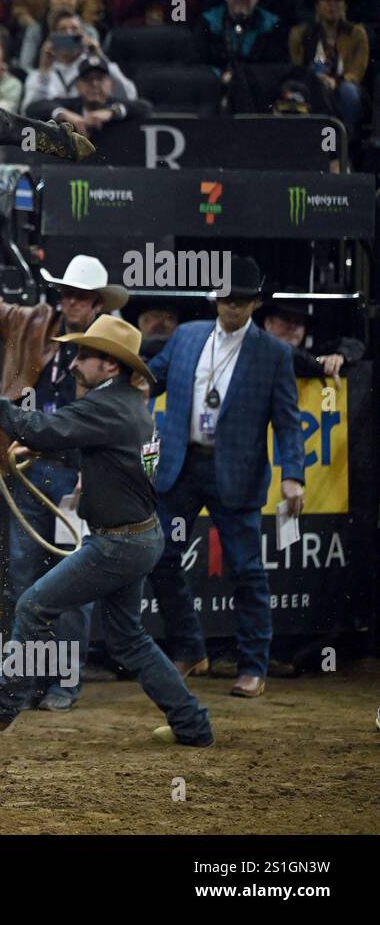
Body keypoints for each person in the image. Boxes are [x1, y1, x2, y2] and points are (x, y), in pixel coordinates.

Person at [0, 317, 214, 746]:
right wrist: (47, 443)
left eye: (86, 355)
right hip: (137, 537)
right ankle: (193, 724)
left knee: (34, 606)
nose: (76, 362)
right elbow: (101, 446)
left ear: (110, 367)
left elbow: (37, 425)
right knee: (130, 639)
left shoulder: (108, 405)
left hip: (118, 542)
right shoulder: (128, 405)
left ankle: (1, 702)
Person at [0, 257, 129, 711]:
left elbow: (105, 423)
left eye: (81, 296)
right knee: (25, 579)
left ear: (96, 302)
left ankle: (65, 682)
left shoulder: (110, 348)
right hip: (33, 470)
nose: (72, 301)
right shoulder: (33, 321)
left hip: (76, 478)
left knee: (72, 585)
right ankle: (28, 682)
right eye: (67, 293)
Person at [145, 257, 306, 699]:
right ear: (214, 298)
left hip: (235, 472)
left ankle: (253, 664)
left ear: (254, 302)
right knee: (159, 558)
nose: (231, 307)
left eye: (240, 300)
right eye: (225, 299)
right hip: (181, 466)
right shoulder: (188, 336)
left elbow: (289, 423)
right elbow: (150, 379)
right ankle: (191, 648)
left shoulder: (273, 354)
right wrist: (119, 382)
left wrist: (294, 476)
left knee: (246, 569)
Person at [289, 0, 370, 135]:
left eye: (338, 0)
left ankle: (348, 139)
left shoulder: (356, 33)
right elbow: (297, 65)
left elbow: (357, 70)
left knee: (349, 91)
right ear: (317, 5)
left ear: (345, 5)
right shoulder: (299, 33)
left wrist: (336, 81)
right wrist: (316, 79)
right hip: (310, 82)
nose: (332, 5)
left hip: (344, 85)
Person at [21, 11, 137, 111]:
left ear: (83, 35)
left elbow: (130, 96)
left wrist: (101, 58)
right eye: (63, 30)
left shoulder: (95, 71)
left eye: (74, 29)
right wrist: (44, 69)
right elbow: (30, 111)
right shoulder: (39, 75)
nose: (69, 33)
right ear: (52, 37)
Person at [24, 55, 154, 131]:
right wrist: (66, 114)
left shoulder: (114, 104)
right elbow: (33, 108)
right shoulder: (71, 104)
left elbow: (145, 107)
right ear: (78, 86)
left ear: (111, 84)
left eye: (100, 78)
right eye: (88, 79)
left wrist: (111, 112)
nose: (95, 84)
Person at [256, 296, 364, 379]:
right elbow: (289, 354)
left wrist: (339, 357)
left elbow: (356, 345)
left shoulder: (309, 354)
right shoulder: (255, 354)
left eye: (298, 322)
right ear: (268, 323)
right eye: (287, 319)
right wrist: (319, 364)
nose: (292, 327)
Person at [16, 0, 100, 72]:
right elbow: (25, 67)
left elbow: (100, 70)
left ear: (77, 1)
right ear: (49, 0)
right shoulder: (35, 30)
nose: (63, 0)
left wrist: (96, 53)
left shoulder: (89, 32)